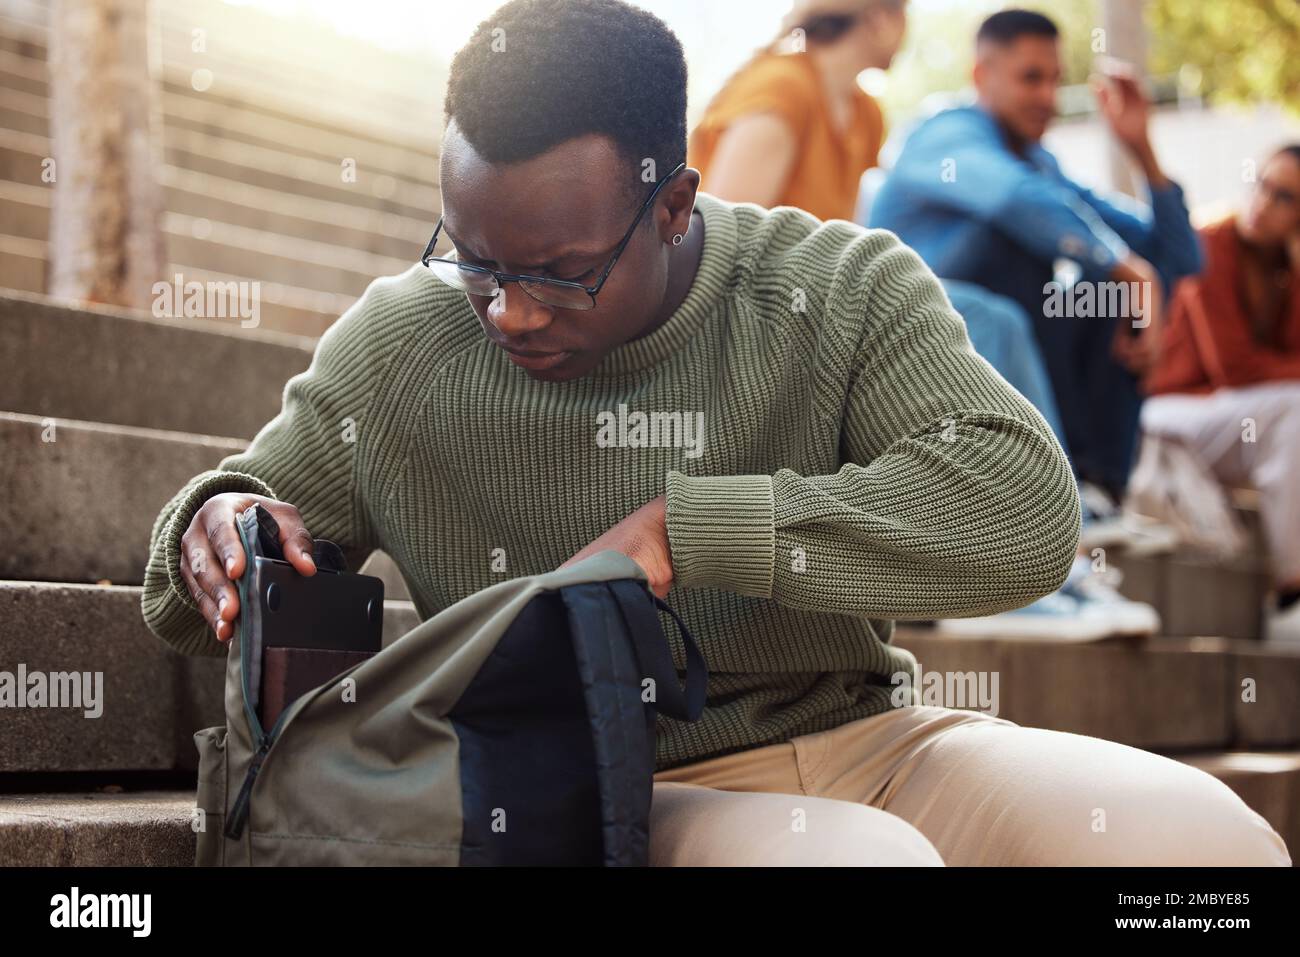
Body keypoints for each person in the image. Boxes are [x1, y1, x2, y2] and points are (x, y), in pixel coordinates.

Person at [140, 0, 1288, 866]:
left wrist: (694, 529)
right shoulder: (402, 340)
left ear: (675, 203)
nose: (509, 310)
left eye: (562, 272)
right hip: (601, 783)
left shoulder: (832, 286)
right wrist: (217, 525)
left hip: (878, 745)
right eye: (474, 257)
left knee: (1213, 850)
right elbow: (191, 588)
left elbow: (1025, 516)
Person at [869, 8, 1203, 508]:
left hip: (1015, 348)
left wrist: (1142, 149)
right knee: (1045, 246)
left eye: (1055, 81)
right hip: (925, 351)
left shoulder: (1039, 162)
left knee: (1106, 291)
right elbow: (1012, 200)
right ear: (981, 75)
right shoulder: (941, 135)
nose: (1048, 98)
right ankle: (1053, 490)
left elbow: (1176, 257)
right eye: (1031, 79)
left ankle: (1097, 487)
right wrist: (1128, 268)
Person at [1142, 146, 1300, 643]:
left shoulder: (1284, 271)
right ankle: (1291, 591)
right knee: (1294, 405)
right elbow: (1237, 367)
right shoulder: (1209, 245)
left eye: (1285, 197)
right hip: (1165, 414)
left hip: (1223, 422)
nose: (1264, 202)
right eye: (1262, 185)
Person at [689, 0, 906, 223]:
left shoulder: (867, 114)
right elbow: (725, 231)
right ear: (880, 19)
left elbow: (842, 238)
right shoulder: (781, 89)